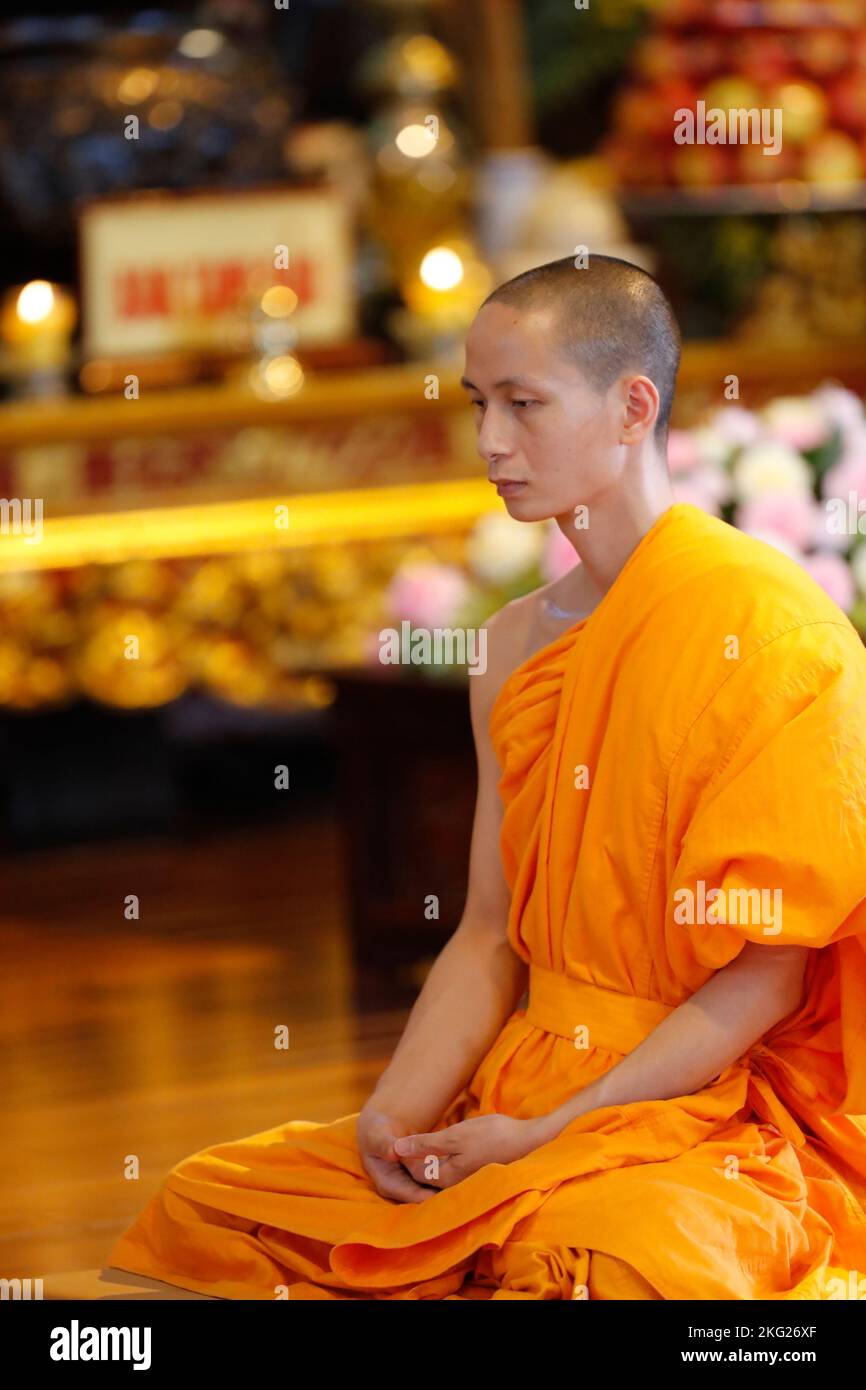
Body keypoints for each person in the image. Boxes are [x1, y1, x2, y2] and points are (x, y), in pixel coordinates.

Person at [106, 255, 866, 1300]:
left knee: (603, 1264)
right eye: (477, 404)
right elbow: (486, 931)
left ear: (630, 406)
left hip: (700, 1108)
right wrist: (396, 1114)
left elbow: (761, 978)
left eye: (522, 404)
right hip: (508, 1089)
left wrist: (550, 1132)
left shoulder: (770, 628)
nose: (488, 444)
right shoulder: (511, 643)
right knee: (205, 1205)